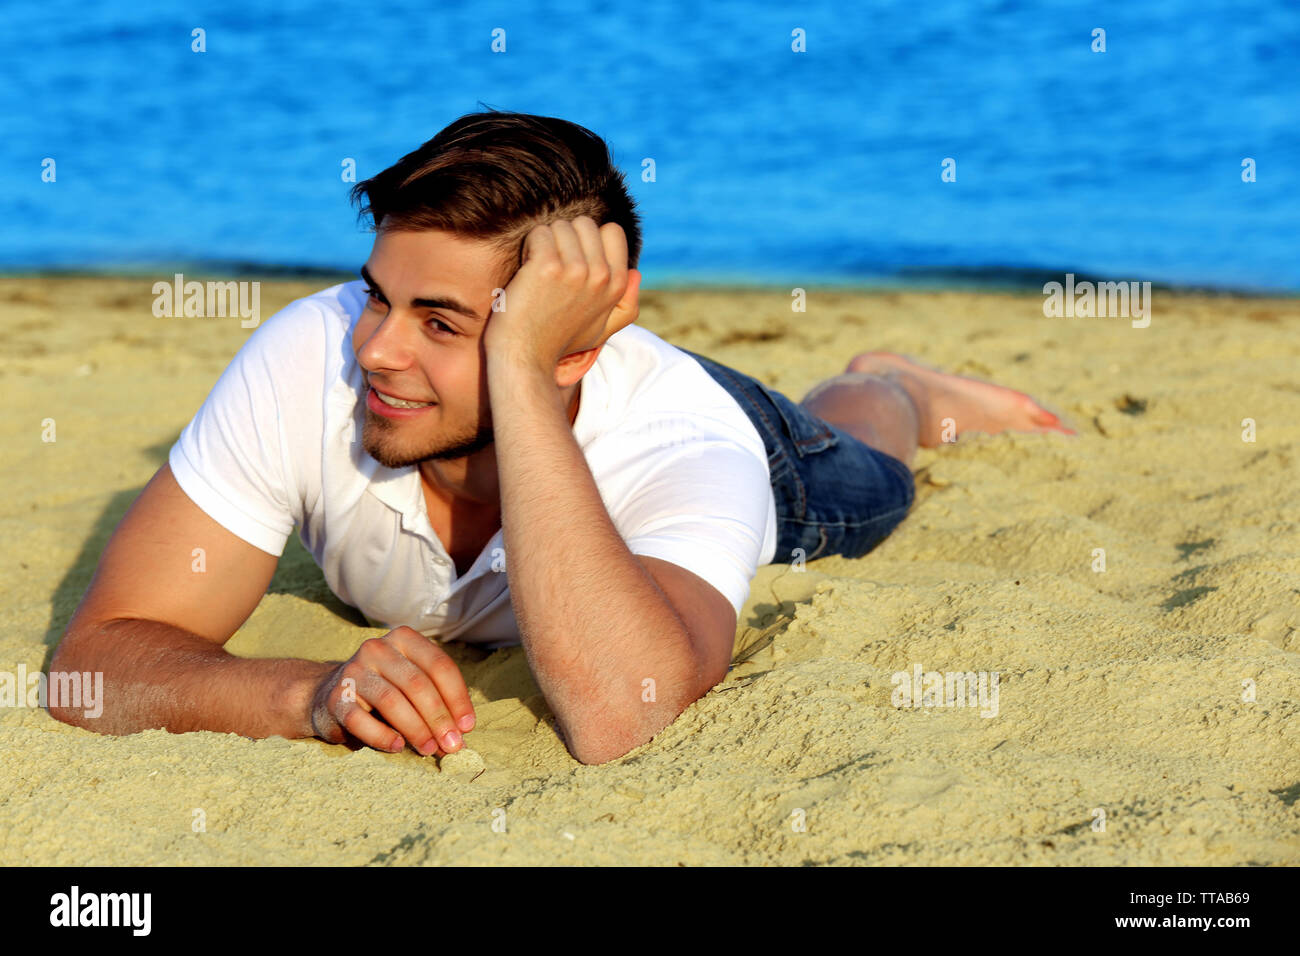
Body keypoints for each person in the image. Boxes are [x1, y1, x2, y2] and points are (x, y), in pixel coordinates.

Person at [47, 110, 1073, 765]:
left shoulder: (687, 445)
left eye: (440, 322)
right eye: (377, 297)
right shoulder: (309, 354)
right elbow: (95, 663)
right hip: (577, 381)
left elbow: (622, 715)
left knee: (877, 461)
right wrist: (308, 691)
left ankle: (890, 378)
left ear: (561, 347)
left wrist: (520, 370)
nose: (378, 350)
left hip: (767, 451)